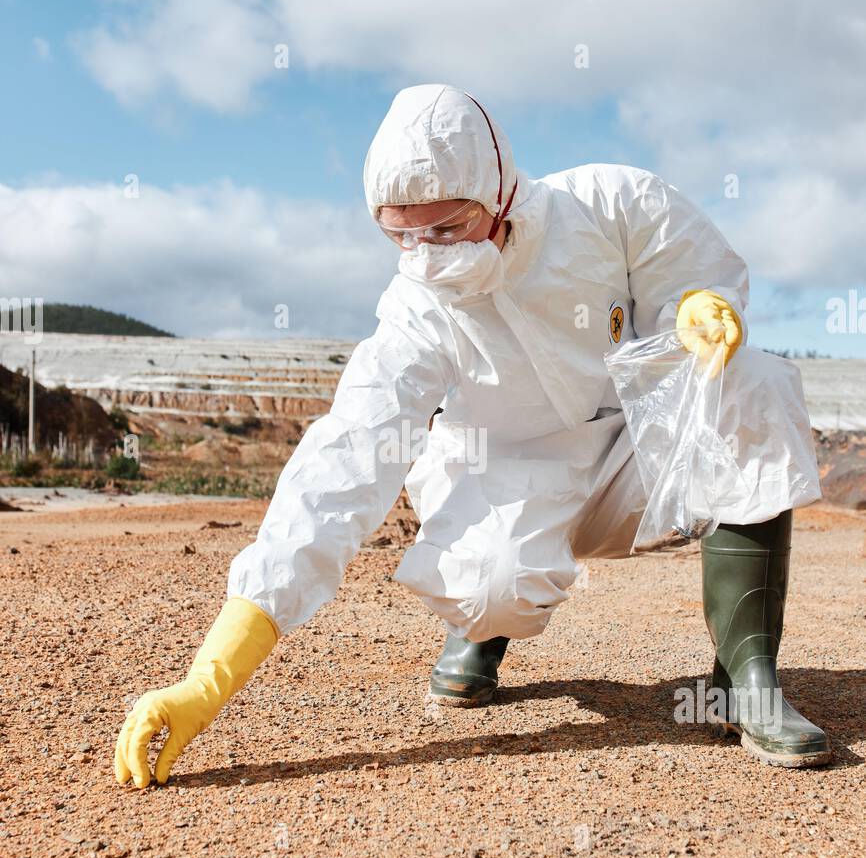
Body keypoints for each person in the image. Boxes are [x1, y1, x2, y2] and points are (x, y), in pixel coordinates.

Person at [115, 84, 828, 788]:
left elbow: (695, 273)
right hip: (509, 472)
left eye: (448, 228)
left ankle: (745, 679)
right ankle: (482, 629)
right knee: (493, 588)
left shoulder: (610, 203)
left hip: (633, 453)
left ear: (500, 195)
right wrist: (206, 681)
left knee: (753, 381)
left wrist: (699, 306)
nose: (426, 253)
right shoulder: (415, 311)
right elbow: (344, 461)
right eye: (401, 235)